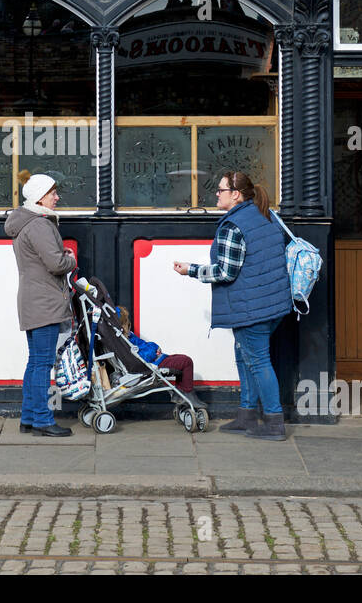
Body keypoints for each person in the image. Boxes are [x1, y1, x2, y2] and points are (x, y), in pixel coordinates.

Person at [172, 171, 293, 440]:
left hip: (252, 308)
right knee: (244, 355)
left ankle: (274, 423)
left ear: (235, 194)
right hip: (274, 304)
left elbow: (226, 272)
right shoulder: (266, 215)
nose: (216, 194)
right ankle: (246, 416)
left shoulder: (234, 226)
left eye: (220, 190)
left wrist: (190, 270)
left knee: (259, 361)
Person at [4, 170, 76, 437]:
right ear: (40, 197)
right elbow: (56, 264)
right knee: (43, 364)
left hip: (32, 300)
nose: (57, 197)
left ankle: (29, 418)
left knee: (35, 362)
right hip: (45, 302)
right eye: (53, 193)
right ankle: (43, 421)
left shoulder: (25, 223)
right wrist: (70, 259)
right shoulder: (40, 225)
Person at [113, 306, 202, 405]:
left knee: (179, 359)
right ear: (123, 325)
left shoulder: (125, 339)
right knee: (186, 361)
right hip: (153, 364)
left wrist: (153, 347)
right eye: (127, 322)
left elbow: (143, 347)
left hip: (157, 359)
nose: (129, 324)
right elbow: (143, 356)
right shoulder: (126, 342)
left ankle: (180, 395)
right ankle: (188, 395)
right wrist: (155, 349)